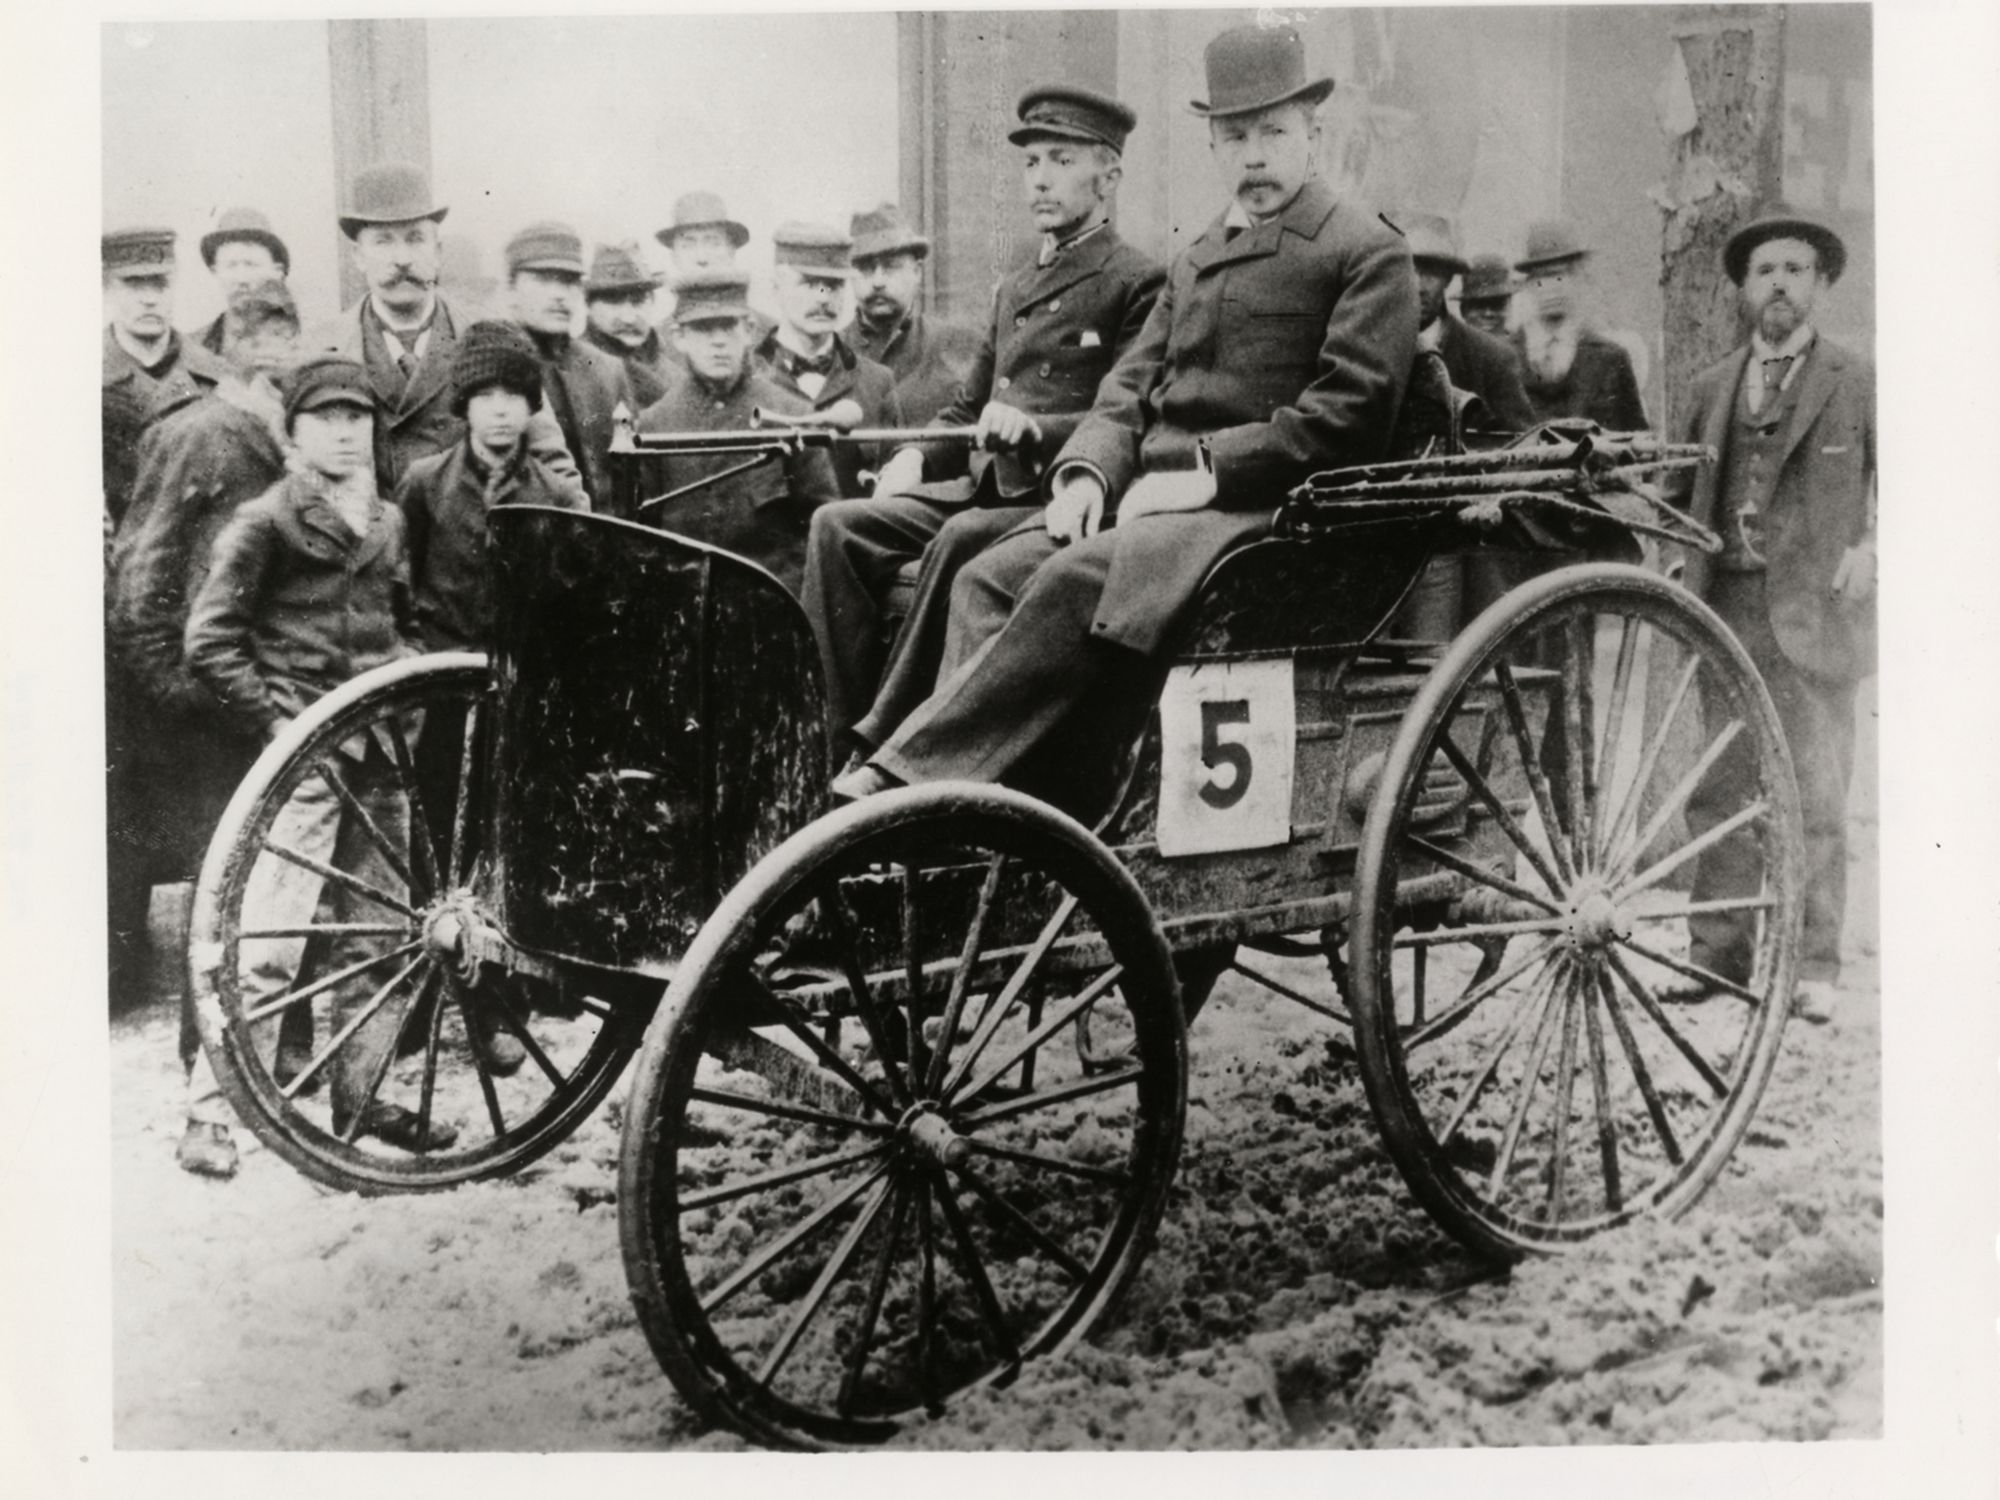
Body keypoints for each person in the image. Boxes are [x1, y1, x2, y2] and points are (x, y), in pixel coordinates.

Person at [836, 23, 1417, 801]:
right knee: (989, 573)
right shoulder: (1197, 257)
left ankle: (921, 786)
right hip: (1153, 507)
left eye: (1272, 132)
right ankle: (1003, 810)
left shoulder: (1362, 251)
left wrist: (1207, 475)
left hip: (1268, 514)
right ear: (1212, 144)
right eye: (1232, 135)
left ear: (1312, 132)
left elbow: (1350, 413)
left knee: (1073, 577)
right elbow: (1127, 390)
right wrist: (1084, 474)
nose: (1252, 155)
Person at [806, 83, 1165, 762]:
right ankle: (828, 739)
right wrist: (916, 456)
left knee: (962, 537)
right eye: (1031, 164)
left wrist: (1037, 432)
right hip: (984, 486)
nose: (1040, 181)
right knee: (836, 525)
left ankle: (886, 744)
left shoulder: (1138, 282)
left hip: (1057, 502)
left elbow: (1130, 414)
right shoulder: (1014, 285)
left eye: (1061, 160)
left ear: (1109, 174)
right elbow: (967, 408)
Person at [183, 356, 451, 1173]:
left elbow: (395, 618)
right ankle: (210, 1117)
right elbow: (210, 641)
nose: (345, 431)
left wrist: (413, 678)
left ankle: (362, 1096)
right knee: (270, 935)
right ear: (292, 434)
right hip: (307, 758)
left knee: (378, 935)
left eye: (358, 417)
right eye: (325, 418)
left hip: (382, 751)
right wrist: (273, 719)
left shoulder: (388, 520)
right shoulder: (267, 521)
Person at [1664, 206, 1875, 1027]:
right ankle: (1716, 960)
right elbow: (1679, 503)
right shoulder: (1713, 388)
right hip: (1730, 609)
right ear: (1744, 293)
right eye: (1764, 272)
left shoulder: (1854, 380)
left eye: (1794, 269)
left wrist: (1875, 548)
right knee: (1720, 789)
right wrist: (1679, 570)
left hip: (1817, 616)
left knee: (1817, 790)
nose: (1779, 284)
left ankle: (1813, 965)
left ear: (1819, 285)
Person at [105, 282, 299, 1022]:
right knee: (220, 879)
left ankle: (277, 1042)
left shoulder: (293, 436)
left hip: (266, 691)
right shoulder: (197, 434)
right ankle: (210, 1048)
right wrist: (176, 687)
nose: (278, 367)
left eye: (289, 347)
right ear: (235, 356)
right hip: (205, 698)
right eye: (262, 351)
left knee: (270, 874)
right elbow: (143, 571)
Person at [306, 161, 584, 499]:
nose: (402, 258)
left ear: (438, 252)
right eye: (383, 242)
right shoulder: (322, 347)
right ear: (357, 256)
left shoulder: (491, 336)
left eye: (415, 239)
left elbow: (552, 463)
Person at [634, 269, 839, 593]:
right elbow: (642, 536)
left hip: (773, 602)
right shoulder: (654, 424)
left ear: (749, 331)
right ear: (679, 337)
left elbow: (821, 525)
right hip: (685, 604)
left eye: (728, 326)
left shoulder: (791, 416)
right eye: (703, 328)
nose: (718, 341)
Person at [399, 320, 590, 653]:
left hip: (524, 665)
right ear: (465, 405)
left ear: (531, 406)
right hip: (440, 668)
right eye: (485, 396)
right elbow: (401, 585)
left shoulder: (558, 496)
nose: (500, 411)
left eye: (513, 396)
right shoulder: (424, 482)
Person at [1392, 212, 1534, 640]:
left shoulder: (1489, 358)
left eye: (1432, 271)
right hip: (1379, 546)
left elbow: (1522, 449)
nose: (1419, 283)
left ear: (1451, 280)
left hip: (1456, 552)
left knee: (1436, 672)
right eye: (1409, 268)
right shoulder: (1369, 350)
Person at [755, 222, 905, 497]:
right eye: (809, 284)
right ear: (775, 287)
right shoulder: (750, 378)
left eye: (834, 285)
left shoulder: (877, 382)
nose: (823, 299)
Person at [504, 221, 639, 512]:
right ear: (511, 289)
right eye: (543, 280)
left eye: (568, 281)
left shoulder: (606, 370)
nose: (559, 294)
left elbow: (631, 481)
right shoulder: (493, 370)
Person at [102, 227, 229, 527]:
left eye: (159, 285)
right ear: (106, 288)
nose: (149, 300)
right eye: (133, 285)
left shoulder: (220, 378)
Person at [846, 203, 981, 425]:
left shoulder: (959, 349)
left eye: (891, 266)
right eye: (866, 268)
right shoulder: (832, 355)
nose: (878, 281)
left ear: (917, 272)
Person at [1510, 219, 1649, 431]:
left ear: (1576, 278)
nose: (1550, 289)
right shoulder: (1504, 358)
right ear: (1528, 284)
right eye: (1541, 279)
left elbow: (1635, 438)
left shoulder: (1611, 358)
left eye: (1559, 276)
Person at [651, 190, 773, 367]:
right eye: (688, 245)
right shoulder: (657, 342)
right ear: (674, 256)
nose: (702, 257)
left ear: (731, 251)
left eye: (713, 243)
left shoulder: (768, 332)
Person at [579, 241, 676, 407]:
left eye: (638, 301)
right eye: (614, 302)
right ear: (589, 306)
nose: (629, 318)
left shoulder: (676, 372)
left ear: (652, 302)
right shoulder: (573, 372)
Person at [193, 208, 291, 354]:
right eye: (231, 266)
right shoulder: (192, 348)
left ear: (277, 273)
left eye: (251, 265)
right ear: (215, 271)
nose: (241, 279)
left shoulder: (302, 343)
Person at [1455, 252, 1515, 338]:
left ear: (1508, 306)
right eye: (1480, 306)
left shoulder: (1520, 349)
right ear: (1463, 310)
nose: (1488, 314)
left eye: (1497, 305)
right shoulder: (1449, 349)